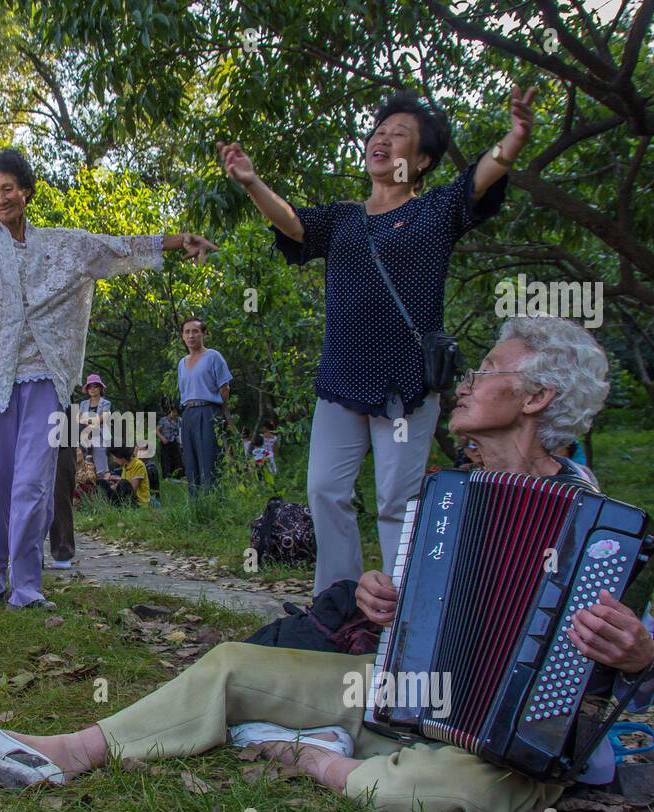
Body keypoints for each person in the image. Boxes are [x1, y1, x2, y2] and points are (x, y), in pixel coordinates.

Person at [0, 316, 654, 812]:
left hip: (510, 748)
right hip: (407, 701)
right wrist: (380, 599)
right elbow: (424, 609)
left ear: (536, 399)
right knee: (233, 662)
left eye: (488, 370)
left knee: (425, 795)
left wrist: (640, 654)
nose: (465, 380)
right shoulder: (453, 494)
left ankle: (305, 755)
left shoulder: (597, 522)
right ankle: (63, 754)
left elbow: (653, 654)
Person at [217, 86, 537, 596]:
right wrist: (252, 182)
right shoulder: (344, 219)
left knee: (396, 500)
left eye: (400, 135)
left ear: (423, 159)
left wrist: (516, 136)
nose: (383, 140)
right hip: (341, 380)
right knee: (324, 490)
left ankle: (403, 611)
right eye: (379, 132)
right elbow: (295, 224)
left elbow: (483, 174)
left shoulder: (435, 211)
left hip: (405, 386)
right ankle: (339, 602)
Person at [0, 148, 216, 610]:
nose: (1, 199)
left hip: (41, 378)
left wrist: (180, 242)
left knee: (33, 486)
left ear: (26, 190)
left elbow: (115, 247)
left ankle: (27, 588)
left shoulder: (60, 244)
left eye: (8, 189)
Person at [177, 317, 234, 496]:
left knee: (208, 459)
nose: (191, 335)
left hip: (208, 410)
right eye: (187, 332)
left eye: (195, 331)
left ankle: (212, 502)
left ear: (203, 334)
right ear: (182, 336)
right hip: (188, 413)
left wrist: (220, 412)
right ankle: (196, 506)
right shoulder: (182, 362)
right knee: (190, 460)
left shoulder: (213, 356)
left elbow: (224, 388)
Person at [47, 423, 76, 570]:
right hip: (27, 420)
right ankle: (28, 554)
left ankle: (63, 550)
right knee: (26, 492)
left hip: (62, 427)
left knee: (60, 493)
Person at [78, 374, 113, 477]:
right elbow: (79, 419)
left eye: (95, 386)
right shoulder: (83, 404)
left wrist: (87, 420)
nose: (92, 389)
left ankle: (102, 490)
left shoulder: (106, 403)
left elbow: (102, 419)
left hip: (100, 436)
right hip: (85, 436)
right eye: (90, 387)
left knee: (101, 468)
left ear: (100, 388)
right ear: (87, 389)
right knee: (85, 466)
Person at [156, 405, 182, 479]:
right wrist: (162, 438)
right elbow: (157, 431)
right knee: (165, 459)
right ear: (171, 412)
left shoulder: (178, 420)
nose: (175, 415)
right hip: (165, 442)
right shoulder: (163, 420)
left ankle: (178, 476)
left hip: (175, 441)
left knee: (177, 459)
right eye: (174, 413)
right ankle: (166, 476)